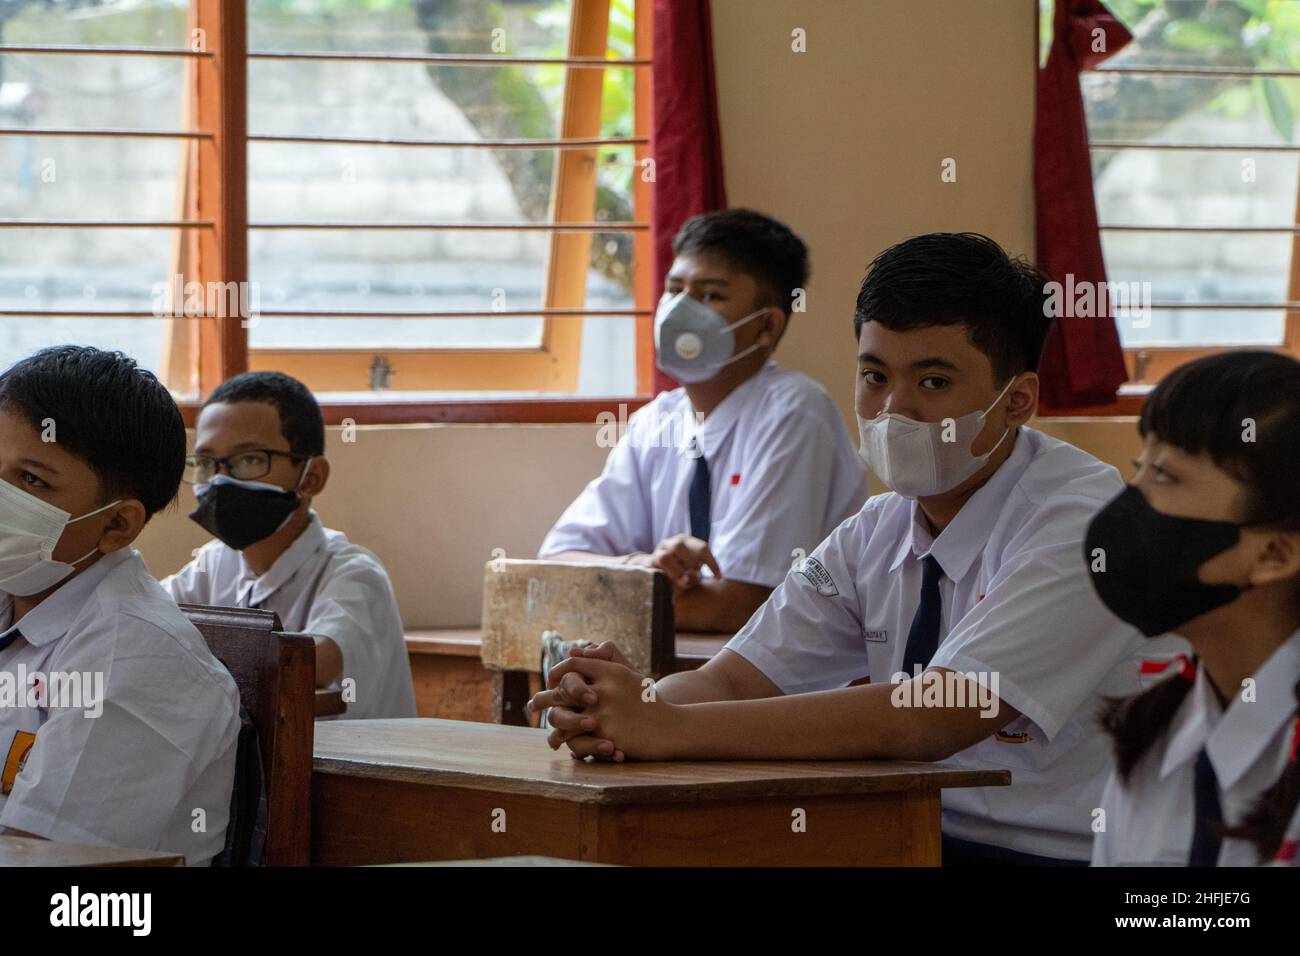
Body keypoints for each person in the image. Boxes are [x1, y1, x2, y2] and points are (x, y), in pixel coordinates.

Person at [531, 233, 1181, 865]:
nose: (893, 410)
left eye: (933, 383)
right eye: (874, 376)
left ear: (1016, 402)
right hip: (897, 833)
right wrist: (621, 706)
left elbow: (934, 717)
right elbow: (734, 679)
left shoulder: (1086, 520)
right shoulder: (879, 527)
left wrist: (668, 729)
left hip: (1055, 853)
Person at [539, 208, 867, 633]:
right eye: (674, 290)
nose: (678, 311)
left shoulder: (794, 413)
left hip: (780, 688)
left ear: (766, 326)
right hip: (680, 673)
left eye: (710, 295)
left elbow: (739, 605)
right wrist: (643, 569)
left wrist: (615, 594)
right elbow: (556, 566)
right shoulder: (656, 421)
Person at [0, 346, 239, 865]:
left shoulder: (136, 656)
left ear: (116, 525)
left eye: (32, 480)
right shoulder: (14, 603)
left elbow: (41, 861)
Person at [1088, 351, 1300, 866]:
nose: (1130, 503)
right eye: (1140, 466)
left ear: (1274, 554)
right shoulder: (1152, 736)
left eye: (1164, 476)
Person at [162, 371, 416, 719]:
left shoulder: (354, 574)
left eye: (249, 459)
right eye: (207, 463)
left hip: (352, 771)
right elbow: (145, 620)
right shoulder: (213, 564)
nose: (220, 480)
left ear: (310, 477)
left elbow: (313, 662)